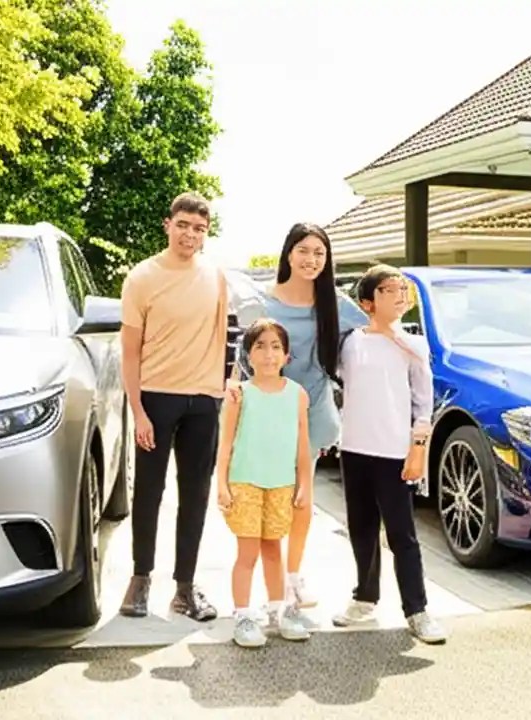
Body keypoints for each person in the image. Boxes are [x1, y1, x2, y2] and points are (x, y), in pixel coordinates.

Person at [231, 223, 367, 609]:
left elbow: (372, 334)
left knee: (300, 498)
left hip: (312, 411)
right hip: (264, 415)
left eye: (319, 253)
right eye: (304, 251)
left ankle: (294, 577)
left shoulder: (337, 304)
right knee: (264, 495)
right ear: (289, 253)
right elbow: (243, 357)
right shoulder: (263, 302)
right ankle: (262, 580)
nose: (311, 260)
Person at [118, 191, 227, 622]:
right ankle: (140, 578)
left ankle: (185, 587)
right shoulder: (142, 277)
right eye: (183, 225)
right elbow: (129, 352)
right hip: (156, 399)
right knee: (148, 492)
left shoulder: (216, 276)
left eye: (199, 228)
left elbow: (226, 335)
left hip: (204, 401)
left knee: (195, 495)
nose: (190, 234)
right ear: (168, 225)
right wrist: (138, 411)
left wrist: (224, 389)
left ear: (206, 234)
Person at [332, 264, 447, 645]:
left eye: (402, 289)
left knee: (403, 535)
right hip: (354, 449)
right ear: (367, 302)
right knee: (362, 530)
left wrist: (417, 450)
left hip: (394, 453)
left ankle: (417, 610)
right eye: (388, 289)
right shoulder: (350, 342)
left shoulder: (414, 345)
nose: (399, 295)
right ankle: (364, 598)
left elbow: (423, 404)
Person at [215, 318, 314, 647]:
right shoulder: (239, 395)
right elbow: (225, 443)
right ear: (248, 354)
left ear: (286, 355)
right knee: (248, 552)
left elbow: (302, 444)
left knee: (274, 548)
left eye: (276, 347)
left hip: (281, 483)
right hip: (245, 482)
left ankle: (277, 609)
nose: (269, 354)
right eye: (260, 346)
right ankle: (242, 615)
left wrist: (303, 484)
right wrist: (222, 485)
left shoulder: (297, 394)